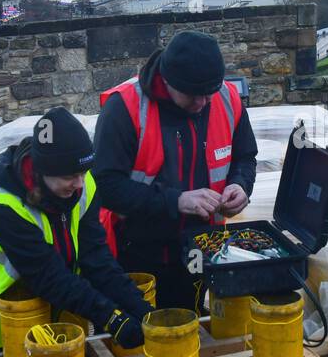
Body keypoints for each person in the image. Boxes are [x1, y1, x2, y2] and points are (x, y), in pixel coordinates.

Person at [0, 107, 153, 355]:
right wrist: (111, 318)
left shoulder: (84, 186)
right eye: (70, 176)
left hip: (58, 309)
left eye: (83, 173)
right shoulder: (2, 206)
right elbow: (47, 275)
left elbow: (96, 257)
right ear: (41, 172)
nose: (79, 184)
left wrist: (140, 309)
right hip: (3, 318)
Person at [93, 30, 258, 313]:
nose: (203, 103)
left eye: (209, 94)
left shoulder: (226, 98)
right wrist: (176, 200)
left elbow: (246, 156)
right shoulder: (124, 108)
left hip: (201, 249)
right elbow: (105, 186)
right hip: (138, 256)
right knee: (144, 340)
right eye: (193, 96)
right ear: (167, 81)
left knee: (190, 330)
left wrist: (241, 185)